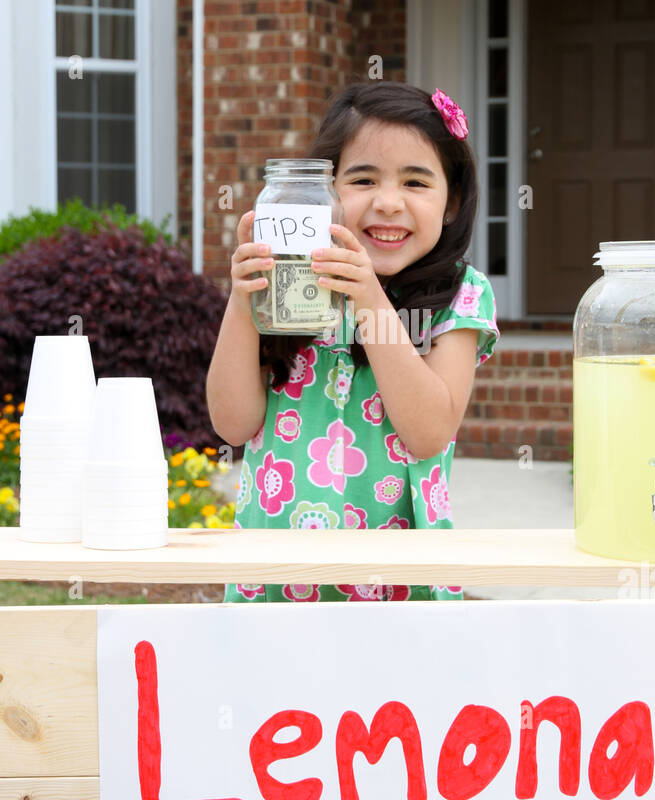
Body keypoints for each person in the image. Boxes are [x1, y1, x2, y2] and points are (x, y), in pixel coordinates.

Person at [206, 80, 500, 602]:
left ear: (452, 202)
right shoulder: (291, 285)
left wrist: (370, 301)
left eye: (415, 183)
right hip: (276, 578)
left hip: (399, 587)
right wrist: (244, 297)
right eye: (363, 179)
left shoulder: (461, 294)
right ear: (325, 194)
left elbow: (429, 431)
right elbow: (232, 423)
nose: (388, 203)